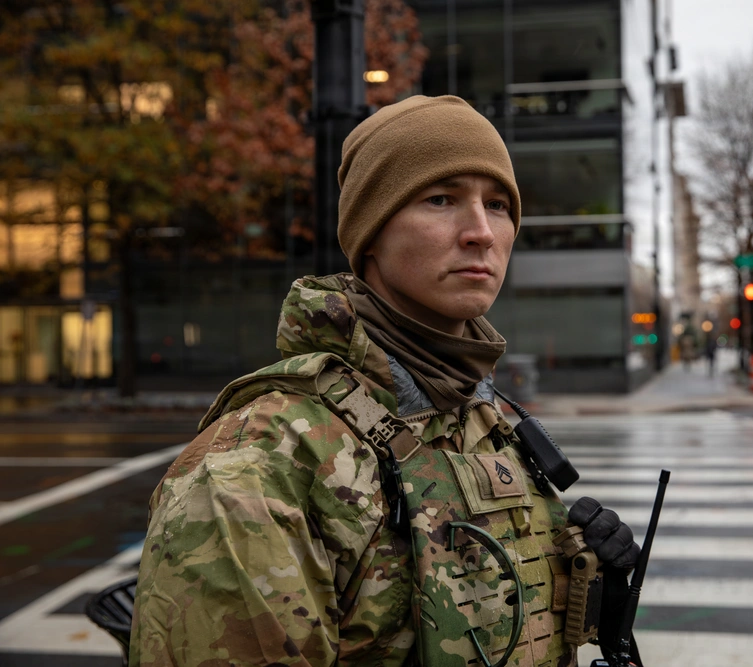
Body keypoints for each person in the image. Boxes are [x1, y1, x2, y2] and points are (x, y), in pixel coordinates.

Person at [130, 95, 639, 667]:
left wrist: (587, 586)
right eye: (441, 199)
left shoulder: (487, 422)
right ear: (370, 230)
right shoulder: (258, 465)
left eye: (497, 204)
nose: (481, 232)